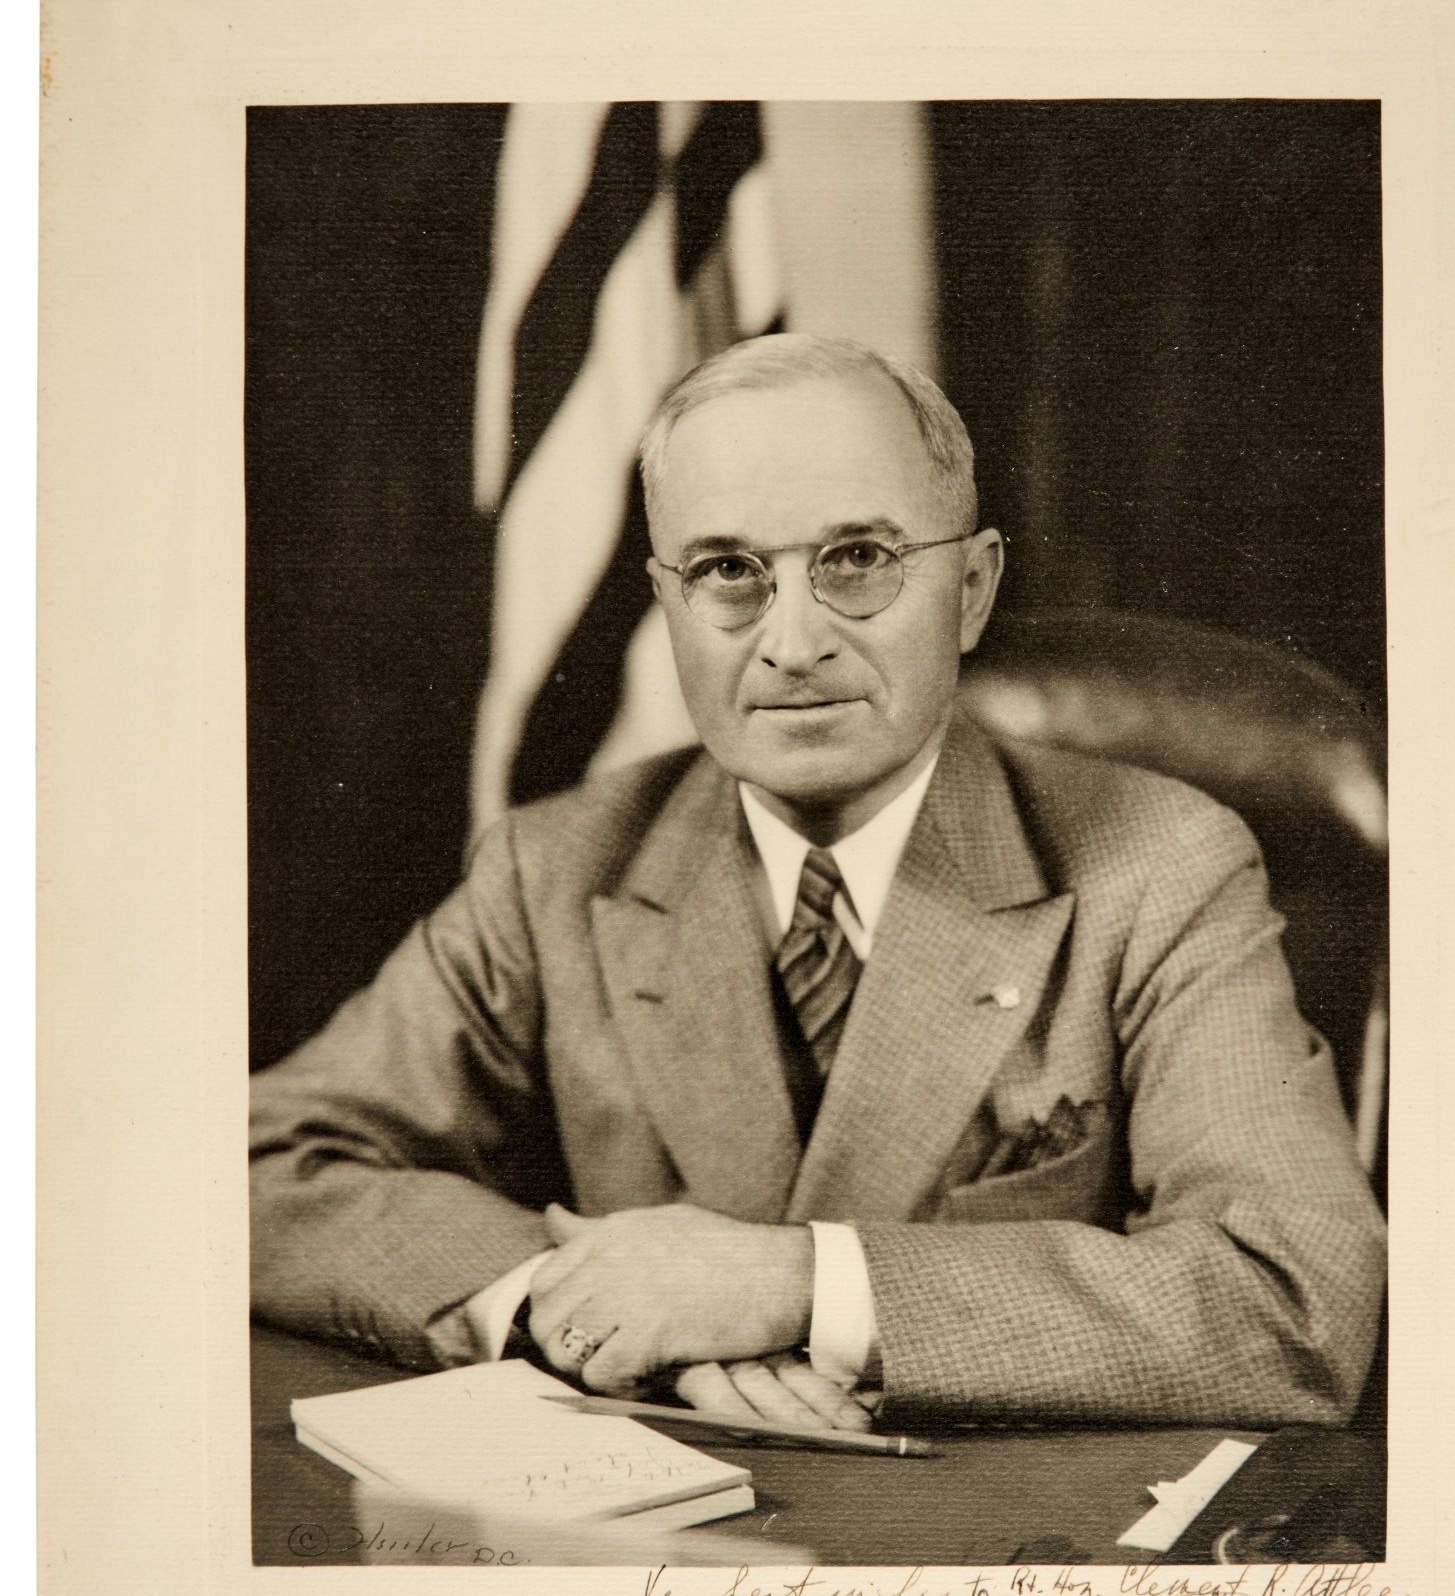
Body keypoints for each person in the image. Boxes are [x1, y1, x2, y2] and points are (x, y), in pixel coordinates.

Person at [250, 334, 1385, 1435]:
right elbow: (259, 1162)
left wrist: (802, 1283)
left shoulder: (1164, 865)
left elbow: (1291, 1294)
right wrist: (578, 1296)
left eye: (857, 560)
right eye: (729, 571)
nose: (792, 641)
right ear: (666, 600)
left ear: (973, 588)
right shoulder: (553, 866)